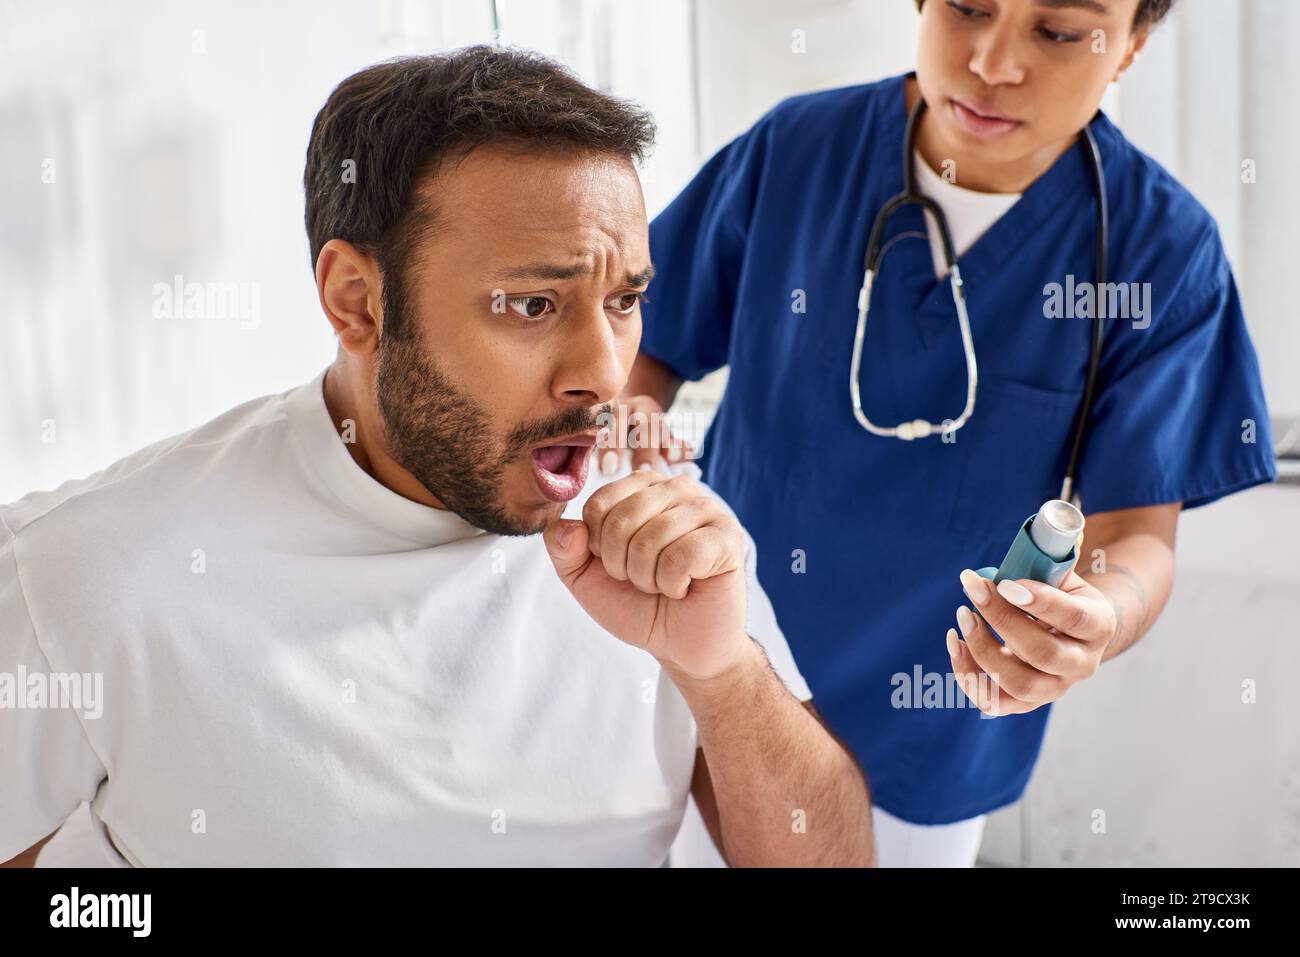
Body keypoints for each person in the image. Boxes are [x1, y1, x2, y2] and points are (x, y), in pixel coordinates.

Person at [0, 46, 874, 868]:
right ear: (359, 303)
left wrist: (724, 675)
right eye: (534, 304)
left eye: (624, 299)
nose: (605, 375)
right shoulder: (84, 572)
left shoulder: (658, 517)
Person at [616, 0, 1276, 866]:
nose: (995, 62)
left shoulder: (1159, 251)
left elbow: (1133, 540)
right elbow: (644, 346)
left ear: (1131, 46)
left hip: (934, 724)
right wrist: (631, 419)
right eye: (968, 7)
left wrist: (1096, 618)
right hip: (723, 666)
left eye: (1058, 31)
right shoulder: (794, 153)